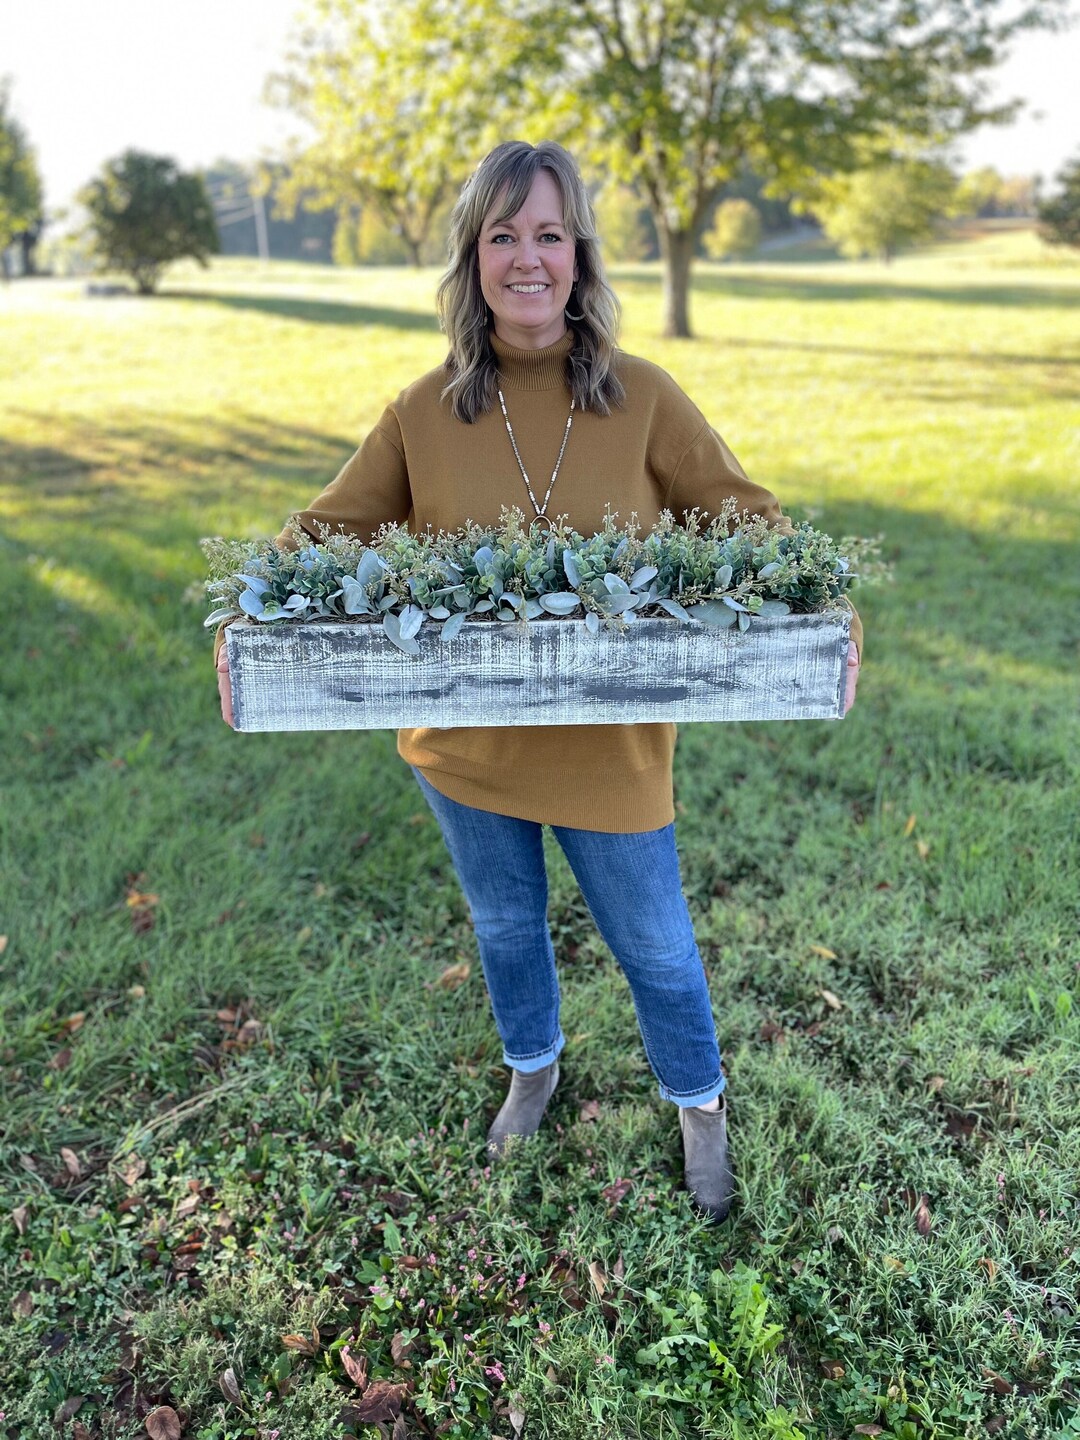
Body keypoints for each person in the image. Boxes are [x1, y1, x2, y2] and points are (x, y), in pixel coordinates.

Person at [216, 140, 861, 1224]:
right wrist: (249, 617)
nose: (527, 258)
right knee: (504, 928)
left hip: (610, 758)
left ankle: (698, 1107)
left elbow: (756, 525)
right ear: (473, 259)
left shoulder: (646, 398)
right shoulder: (423, 410)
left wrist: (828, 614)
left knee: (655, 942)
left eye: (548, 234)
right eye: (502, 235)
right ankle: (533, 1070)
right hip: (463, 752)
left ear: (579, 256)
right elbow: (325, 532)